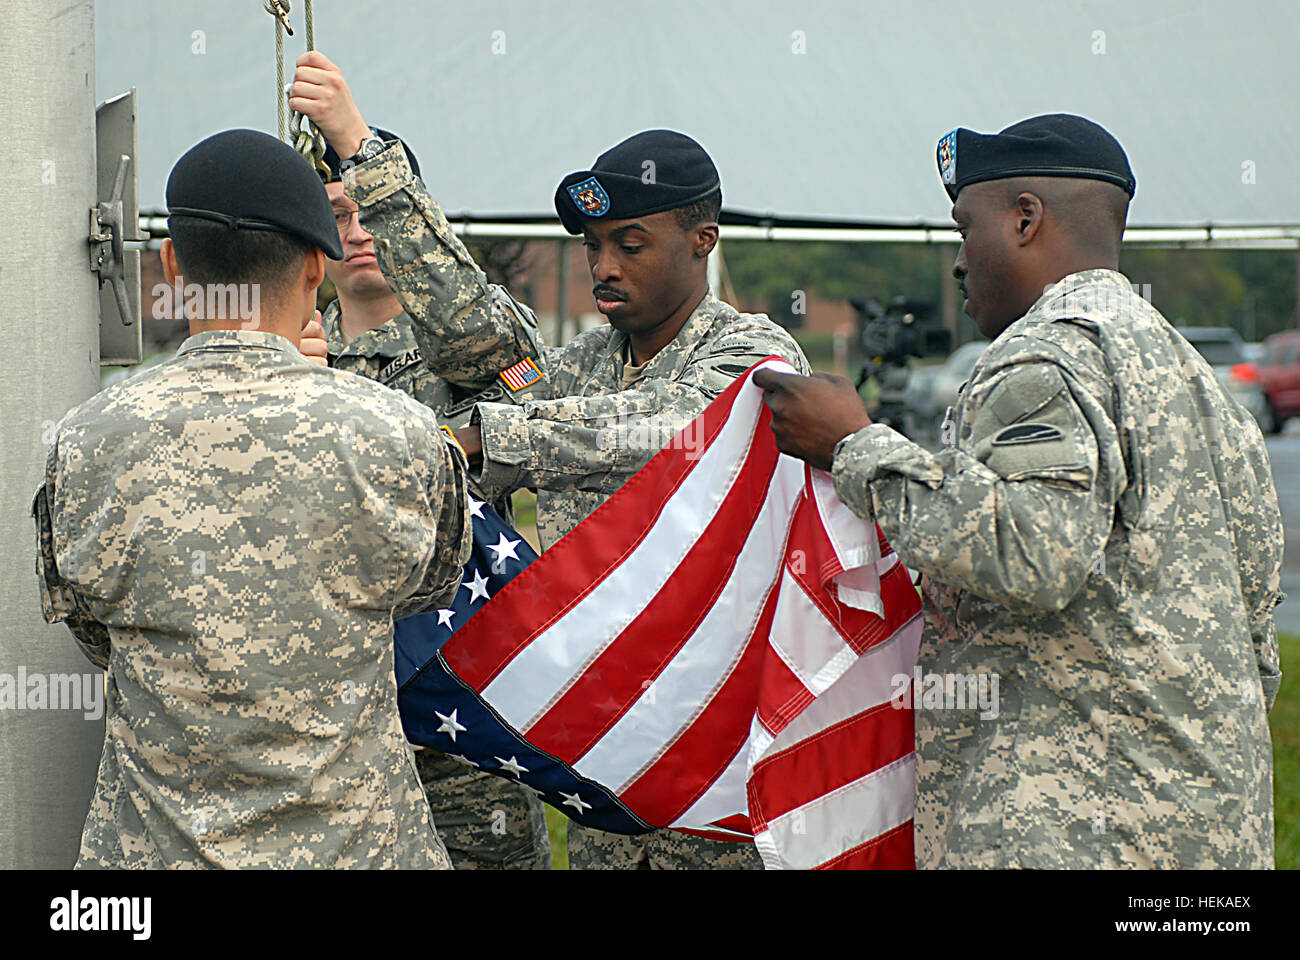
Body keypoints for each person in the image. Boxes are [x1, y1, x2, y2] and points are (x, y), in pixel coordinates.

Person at [289, 50, 811, 869]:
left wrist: (488, 436)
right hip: (605, 771)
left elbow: (669, 425)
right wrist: (363, 154)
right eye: (594, 245)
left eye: (629, 243)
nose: (603, 267)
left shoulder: (751, 352)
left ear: (703, 239)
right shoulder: (575, 368)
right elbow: (472, 333)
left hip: (717, 776)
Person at [754, 114, 1283, 869]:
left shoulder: (1043, 355)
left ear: (1025, 218)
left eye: (966, 231)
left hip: (1066, 831)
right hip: (1204, 827)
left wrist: (853, 446)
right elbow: (1256, 622)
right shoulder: (1193, 375)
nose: (961, 263)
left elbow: (1035, 555)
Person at [32, 129, 472, 869]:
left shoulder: (86, 440)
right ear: (314, 265)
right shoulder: (400, 432)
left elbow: (93, 633)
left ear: (172, 263)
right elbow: (428, 592)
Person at [311, 125, 552, 870]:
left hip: (466, 717)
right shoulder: (291, 358)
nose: (355, 233)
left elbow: (522, 381)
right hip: (339, 721)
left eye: (369, 212)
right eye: (336, 218)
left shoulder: (463, 343)